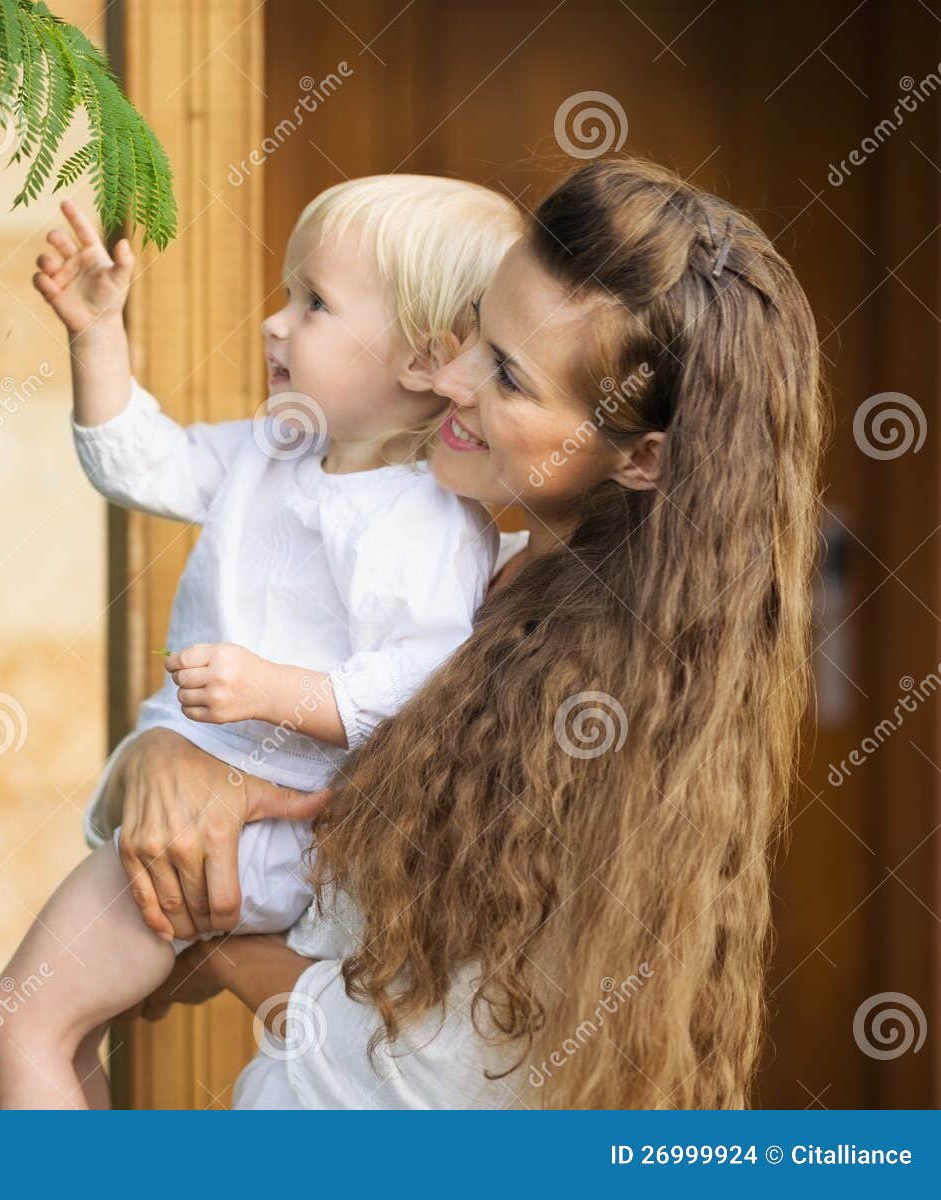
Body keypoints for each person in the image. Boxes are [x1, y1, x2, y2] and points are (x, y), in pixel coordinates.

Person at [97, 156, 827, 1109]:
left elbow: (436, 1076)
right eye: (474, 334)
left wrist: (218, 933)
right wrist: (159, 758)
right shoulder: (452, 572)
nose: (448, 379)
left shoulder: (594, 706)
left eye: (510, 378)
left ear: (641, 458)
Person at [0, 178, 525, 1108]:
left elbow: (420, 686)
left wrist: (275, 691)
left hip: (268, 829)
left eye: (315, 303)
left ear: (425, 356)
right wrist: (96, 336)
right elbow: (141, 461)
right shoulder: (279, 445)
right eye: (287, 294)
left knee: (19, 1021)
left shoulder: (428, 518)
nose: (276, 324)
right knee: (56, 1032)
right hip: (202, 803)